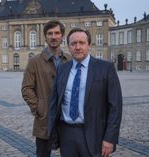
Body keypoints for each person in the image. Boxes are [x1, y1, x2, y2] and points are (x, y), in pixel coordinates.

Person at [48, 28, 122, 157]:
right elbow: (54, 104)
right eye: (73, 43)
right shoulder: (62, 69)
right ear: (68, 46)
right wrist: (54, 134)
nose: (77, 47)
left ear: (89, 45)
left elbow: (115, 106)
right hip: (66, 134)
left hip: (94, 134)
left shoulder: (106, 68)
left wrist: (110, 138)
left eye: (81, 43)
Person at [21, 20, 71, 157]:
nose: (53, 37)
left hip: (67, 118)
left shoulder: (70, 59)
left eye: (56, 33)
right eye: (50, 33)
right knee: (43, 154)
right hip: (44, 119)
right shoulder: (34, 61)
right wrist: (38, 108)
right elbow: (26, 88)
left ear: (62, 36)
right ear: (45, 37)